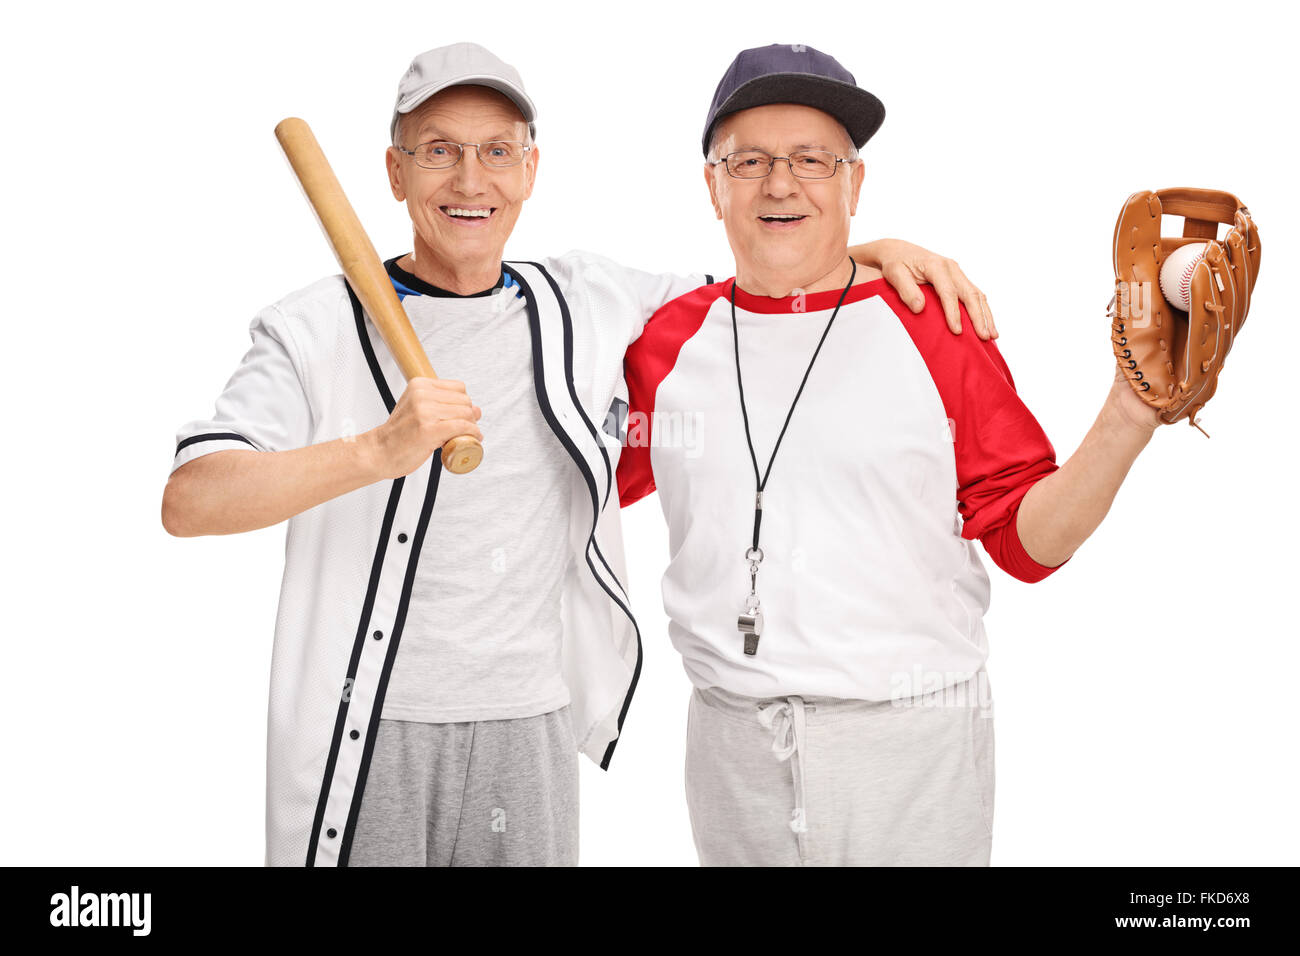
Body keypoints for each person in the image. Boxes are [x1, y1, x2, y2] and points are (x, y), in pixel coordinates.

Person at [161, 41, 994, 867]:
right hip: (371, 724)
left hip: (532, 724)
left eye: (497, 152)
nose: (469, 181)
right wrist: (378, 448)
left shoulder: (586, 300)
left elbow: (767, 279)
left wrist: (876, 249)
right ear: (394, 171)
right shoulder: (310, 328)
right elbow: (191, 498)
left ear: (530, 170)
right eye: (439, 152)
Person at [617, 43, 1163, 866]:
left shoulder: (932, 326)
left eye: (812, 159)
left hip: (912, 751)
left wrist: (1131, 411)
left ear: (854, 184)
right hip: (729, 750)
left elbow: (1026, 542)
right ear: (712, 185)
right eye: (750, 160)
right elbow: (566, 476)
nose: (779, 183)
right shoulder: (668, 338)